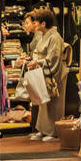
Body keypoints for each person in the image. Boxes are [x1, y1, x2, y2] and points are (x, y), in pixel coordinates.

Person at [23, 8, 68, 141]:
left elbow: (53, 58)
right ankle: (43, 130)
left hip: (55, 72)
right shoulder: (44, 35)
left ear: (43, 24)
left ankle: (54, 132)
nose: (34, 25)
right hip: (44, 69)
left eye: (36, 22)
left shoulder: (55, 37)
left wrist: (38, 62)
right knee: (44, 101)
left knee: (54, 102)